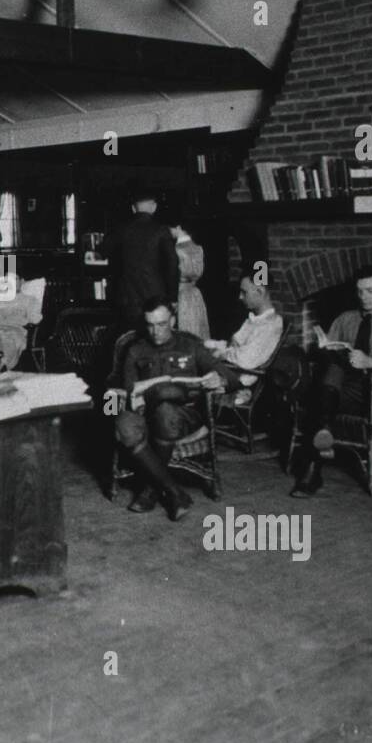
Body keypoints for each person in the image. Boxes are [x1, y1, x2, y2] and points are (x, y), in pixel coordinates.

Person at [290, 264, 372, 497]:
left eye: (370, 291)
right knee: (332, 368)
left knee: (325, 387)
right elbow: (327, 348)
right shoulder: (346, 319)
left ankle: (315, 466)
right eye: (360, 291)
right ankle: (319, 447)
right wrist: (326, 349)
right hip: (337, 390)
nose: (364, 297)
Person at [112, 297, 224, 519]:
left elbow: (222, 371)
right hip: (146, 412)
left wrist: (218, 378)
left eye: (162, 324)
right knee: (123, 425)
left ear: (172, 320)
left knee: (166, 412)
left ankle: (150, 490)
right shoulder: (136, 350)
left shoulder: (190, 345)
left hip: (185, 414)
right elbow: (128, 388)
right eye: (150, 325)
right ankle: (174, 492)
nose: (156, 331)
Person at [102, 189, 178, 328]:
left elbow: (103, 252)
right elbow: (172, 264)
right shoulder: (161, 231)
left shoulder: (121, 229)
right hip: (155, 296)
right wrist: (173, 297)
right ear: (154, 207)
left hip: (126, 297)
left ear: (133, 209)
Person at [207, 275, 284, 402]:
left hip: (240, 380)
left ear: (259, 292)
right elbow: (234, 344)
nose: (240, 297)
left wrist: (222, 354)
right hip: (231, 371)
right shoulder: (255, 320)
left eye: (244, 292)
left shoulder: (270, 326)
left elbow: (245, 360)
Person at [0, 273, 42, 372]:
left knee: (7, 339)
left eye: (14, 279)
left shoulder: (29, 300)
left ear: (22, 282)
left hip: (12, 330)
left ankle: (1, 364)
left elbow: (35, 320)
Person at [170, 224, 210, 340]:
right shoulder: (198, 248)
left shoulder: (176, 250)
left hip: (179, 295)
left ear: (178, 227)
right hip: (194, 294)